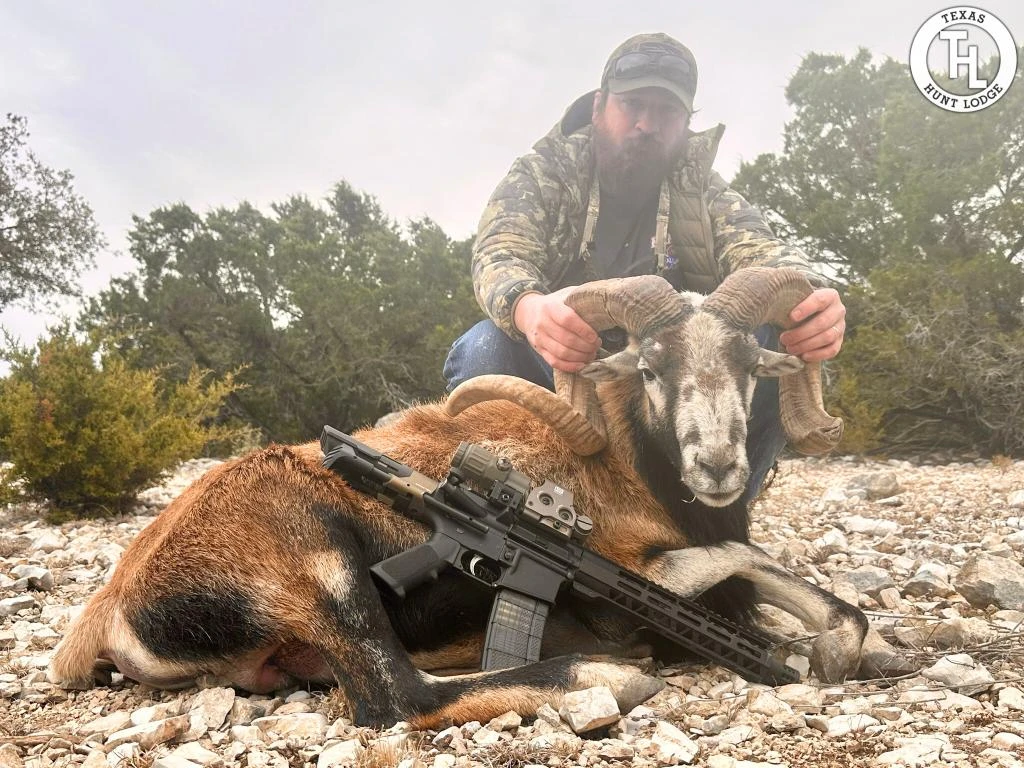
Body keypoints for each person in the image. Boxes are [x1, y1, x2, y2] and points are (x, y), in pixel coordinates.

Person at [443, 32, 846, 503]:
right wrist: (530, 310)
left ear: (685, 123)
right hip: (567, 364)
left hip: (672, 373)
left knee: (785, 339)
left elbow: (767, 253)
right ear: (599, 107)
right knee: (483, 347)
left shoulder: (705, 193)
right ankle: (497, 508)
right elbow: (500, 252)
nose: (647, 124)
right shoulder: (544, 172)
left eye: (667, 111)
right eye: (633, 104)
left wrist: (816, 300)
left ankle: (723, 517)